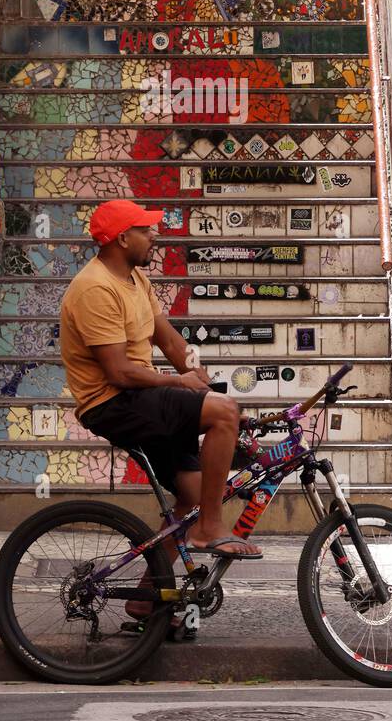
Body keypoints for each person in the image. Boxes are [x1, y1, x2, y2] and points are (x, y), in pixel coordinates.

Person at [60, 199, 263, 626]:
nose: (155, 235)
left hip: (141, 396)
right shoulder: (96, 288)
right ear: (121, 238)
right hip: (112, 403)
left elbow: (170, 343)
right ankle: (211, 527)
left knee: (191, 496)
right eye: (146, 229)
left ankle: (144, 597)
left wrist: (199, 381)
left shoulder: (135, 279)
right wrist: (189, 391)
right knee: (223, 415)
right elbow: (117, 371)